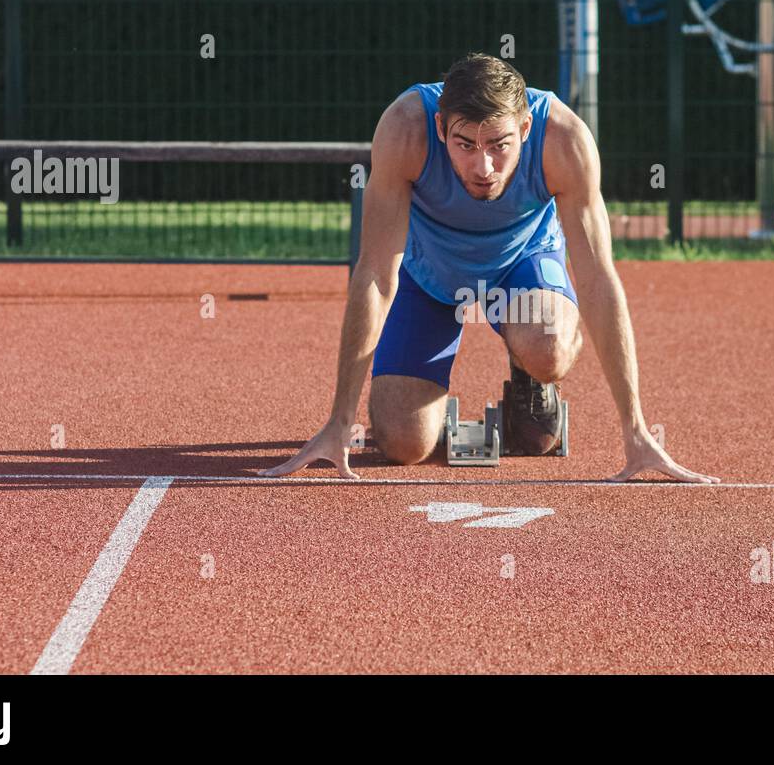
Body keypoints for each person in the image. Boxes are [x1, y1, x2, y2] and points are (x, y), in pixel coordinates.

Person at [260, 53, 718, 484]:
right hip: (428, 277)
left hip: (522, 267)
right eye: (464, 145)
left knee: (549, 346)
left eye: (499, 145)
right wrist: (341, 421)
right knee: (402, 444)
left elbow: (598, 278)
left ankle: (529, 371)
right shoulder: (404, 128)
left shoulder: (564, 139)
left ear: (525, 126)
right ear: (440, 128)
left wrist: (636, 429)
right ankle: (428, 412)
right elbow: (377, 273)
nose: (483, 166)